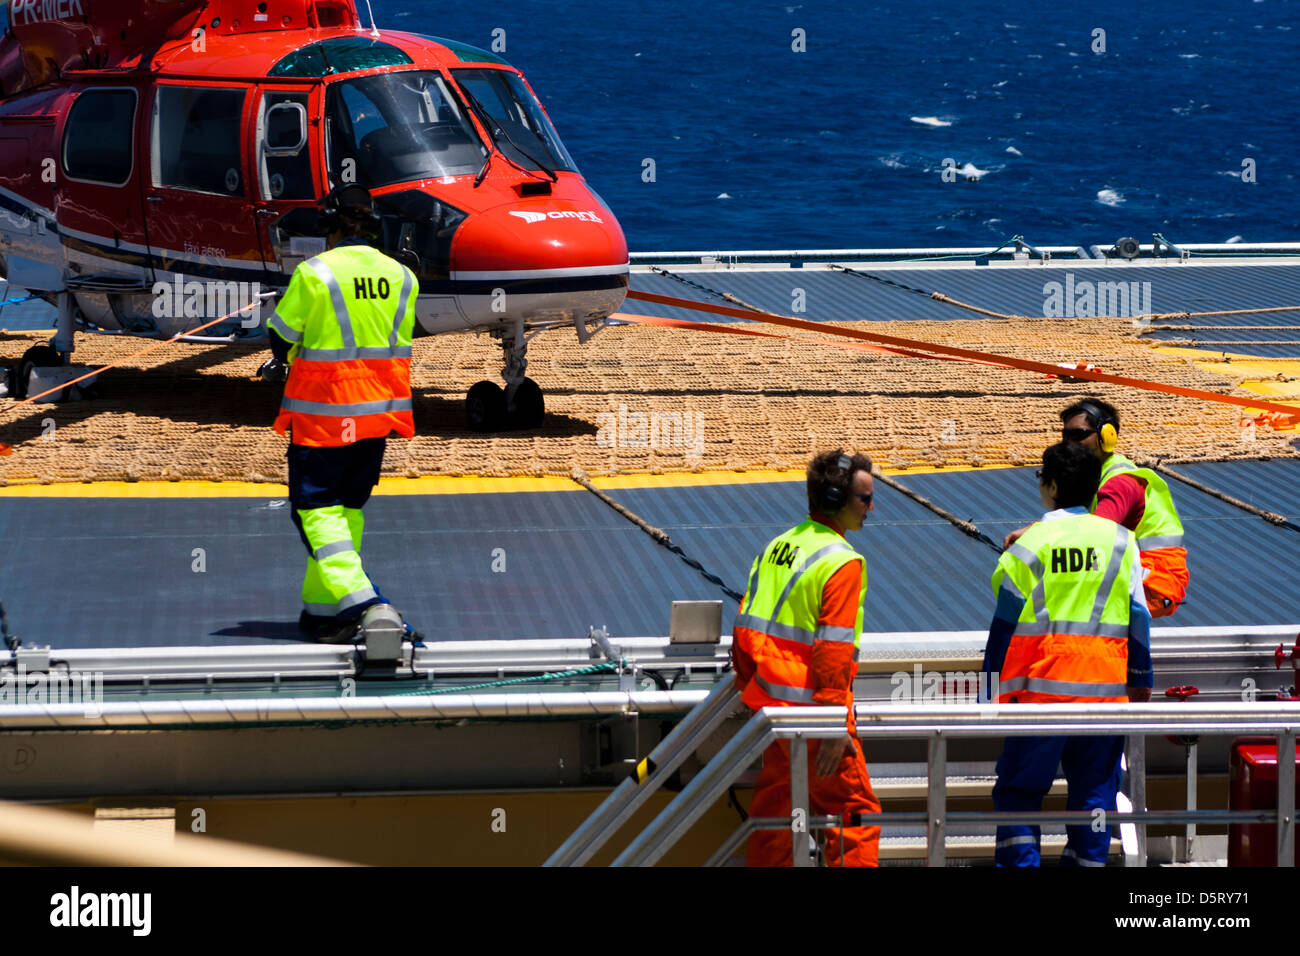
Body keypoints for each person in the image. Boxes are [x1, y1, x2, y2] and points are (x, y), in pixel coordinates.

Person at [983, 441, 1153, 867]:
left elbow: (1003, 624)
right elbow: (1139, 617)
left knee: (1020, 791)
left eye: (1041, 478)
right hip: (1105, 694)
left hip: (1039, 696)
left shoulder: (1030, 544)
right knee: (1095, 792)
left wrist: (987, 689)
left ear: (1052, 485)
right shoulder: (1122, 542)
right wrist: (1141, 680)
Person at [266, 184, 417, 643]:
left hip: (325, 413)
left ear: (329, 227)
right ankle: (322, 609)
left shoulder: (316, 274)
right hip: (379, 413)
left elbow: (281, 337)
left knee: (312, 508)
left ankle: (362, 601)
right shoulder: (403, 276)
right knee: (346, 508)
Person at [731, 449, 882, 866]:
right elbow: (833, 650)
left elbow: (744, 627)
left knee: (781, 816)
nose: (872, 507)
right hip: (816, 715)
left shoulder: (777, 546)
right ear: (836, 500)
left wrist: (750, 688)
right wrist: (833, 723)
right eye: (865, 499)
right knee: (855, 818)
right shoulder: (842, 562)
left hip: (774, 715)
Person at [1004, 398, 1188, 618]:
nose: (1069, 444)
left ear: (1106, 437)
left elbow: (1092, 533)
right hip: (1143, 576)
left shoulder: (1120, 482)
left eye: (1079, 435)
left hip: (1156, 582)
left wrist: (1034, 535)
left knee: (1068, 572)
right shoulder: (1096, 475)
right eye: (1065, 436)